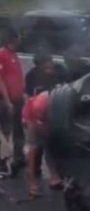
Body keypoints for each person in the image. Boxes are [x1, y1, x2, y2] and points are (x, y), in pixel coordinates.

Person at [22, 91, 62, 198]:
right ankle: (32, 183)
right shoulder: (37, 109)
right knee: (32, 149)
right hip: (31, 117)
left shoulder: (60, 103)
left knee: (50, 146)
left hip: (47, 117)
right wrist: (32, 184)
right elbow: (30, 148)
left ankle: (55, 177)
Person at [0, 29, 26, 174]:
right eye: (18, 37)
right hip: (5, 100)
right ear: (13, 39)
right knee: (5, 130)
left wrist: (22, 94)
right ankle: (2, 161)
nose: (20, 40)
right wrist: (7, 100)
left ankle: (19, 157)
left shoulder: (14, 55)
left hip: (17, 99)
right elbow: (0, 79)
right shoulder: (2, 54)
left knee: (18, 129)